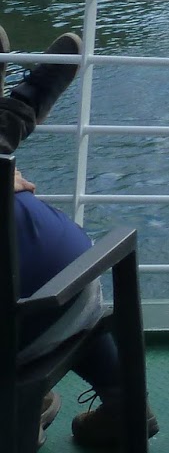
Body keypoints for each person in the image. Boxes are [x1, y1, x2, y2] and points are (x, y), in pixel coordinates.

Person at [2, 25, 158, 449]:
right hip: (59, 289)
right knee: (62, 285)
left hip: (30, 312)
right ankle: (17, 113)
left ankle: (14, 117)